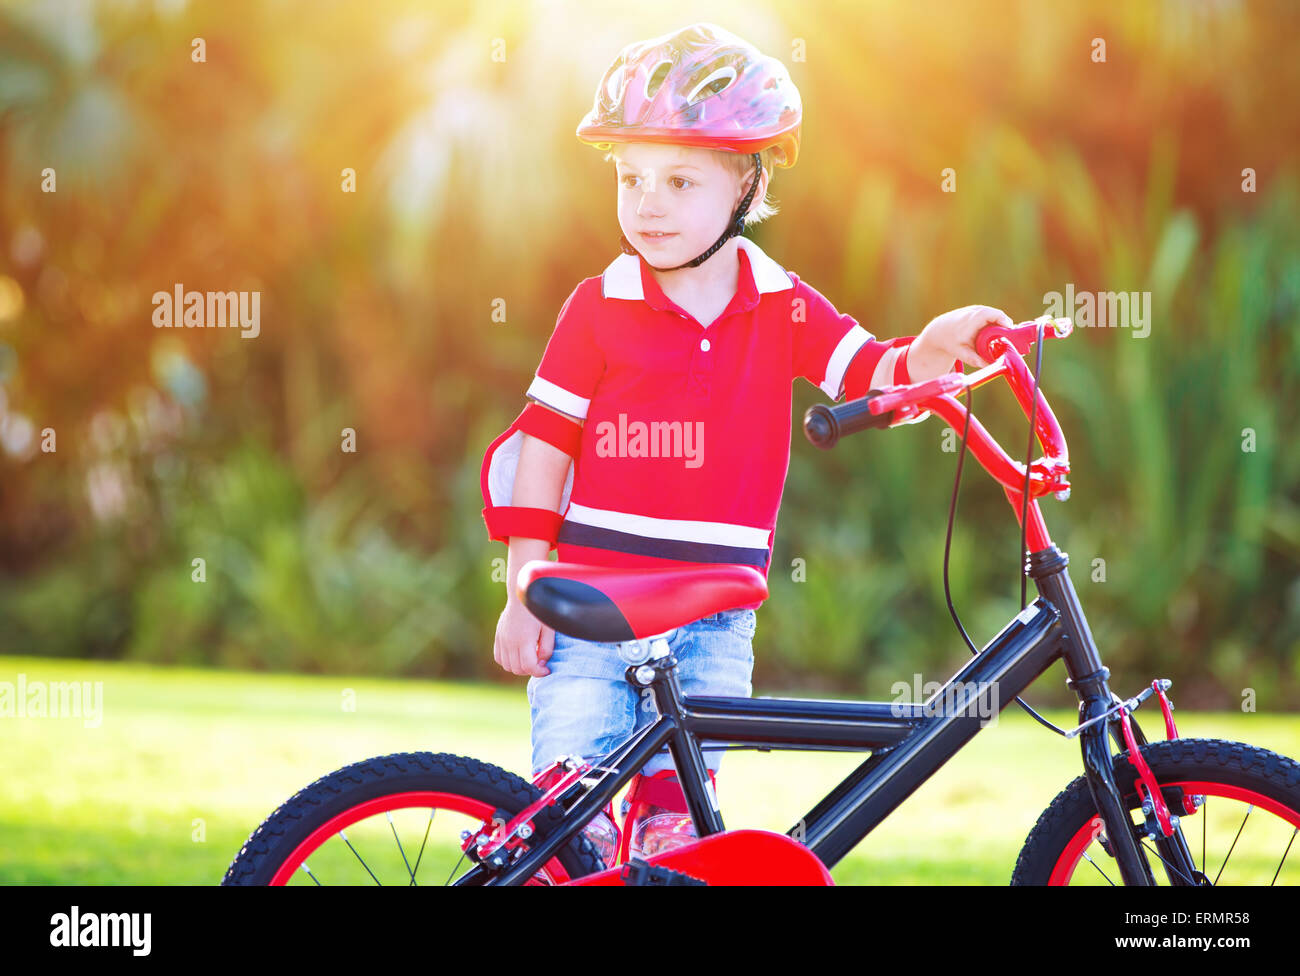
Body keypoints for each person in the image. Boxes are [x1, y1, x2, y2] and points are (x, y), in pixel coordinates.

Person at [480, 22, 1008, 866]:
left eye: (678, 180)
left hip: (712, 618)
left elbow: (871, 371)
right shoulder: (597, 307)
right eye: (631, 178)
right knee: (568, 825)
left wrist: (931, 349)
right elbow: (541, 447)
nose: (647, 203)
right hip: (587, 607)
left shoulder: (782, 304)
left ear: (744, 187)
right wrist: (520, 590)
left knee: (676, 834)